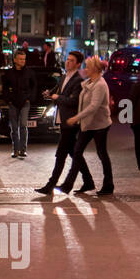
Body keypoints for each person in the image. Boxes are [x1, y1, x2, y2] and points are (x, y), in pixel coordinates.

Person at [36, 52, 93, 194]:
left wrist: (57, 97)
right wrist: (49, 94)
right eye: (67, 60)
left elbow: (73, 101)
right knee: (74, 152)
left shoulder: (78, 80)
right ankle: (88, 181)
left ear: (78, 64)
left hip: (71, 121)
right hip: (63, 120)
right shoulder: (63, 77)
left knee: (61, 153)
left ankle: (51, 185)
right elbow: (58, 93)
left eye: (71, 61)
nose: (68, 62)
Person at [61, 56, 114, 196]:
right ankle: (79, 183)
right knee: (77, 152)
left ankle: (109, 185)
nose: (85, 69)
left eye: (87, 67)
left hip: (100, 125)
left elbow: (93, 106)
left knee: (102, 154)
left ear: (95, 69)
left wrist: (76, 118)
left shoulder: (100, 85)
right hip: (88, 124)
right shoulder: (89, 82)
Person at [0, 50, 39, 159]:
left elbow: (34, 87)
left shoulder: (29, 73)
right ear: (15, 60)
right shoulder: (9, 73)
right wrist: (8, 100)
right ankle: (15, 150)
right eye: (20, 59)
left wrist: (29, 99)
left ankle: (23, 150)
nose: (23, 61)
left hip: (25, 102)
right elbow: (5, 88)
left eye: (24, 59)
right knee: (14, 127)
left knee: (23, 126)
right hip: (13, 103)